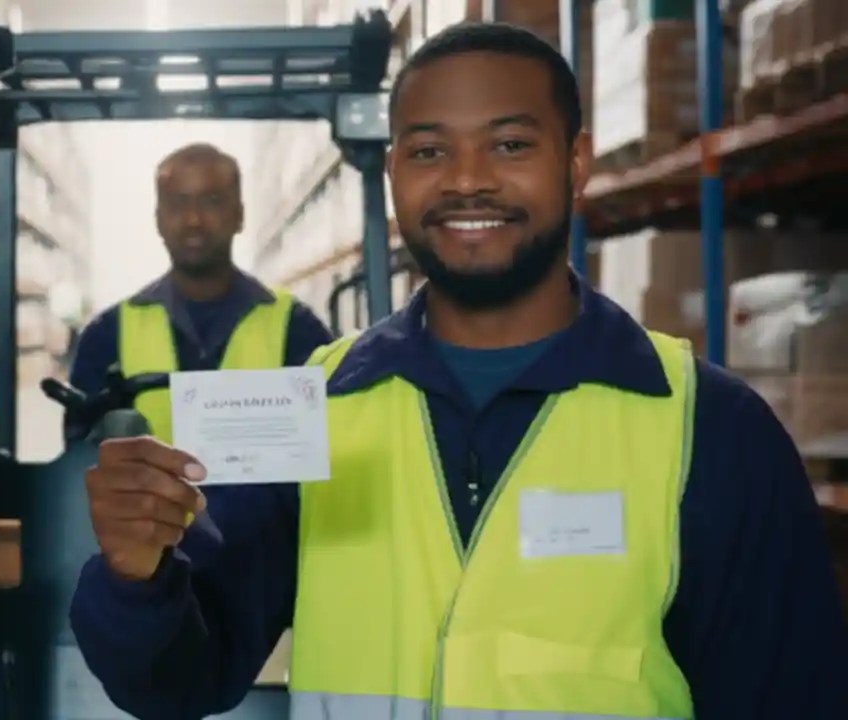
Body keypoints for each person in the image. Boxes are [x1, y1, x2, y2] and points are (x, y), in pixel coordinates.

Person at [68, 22, 848, 720]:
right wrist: (137, 581)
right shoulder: (319, 407)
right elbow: (180, 680)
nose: (466, 179)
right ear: (393, 174)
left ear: (575, 163)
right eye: (429, 150)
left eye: (510, 144)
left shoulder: (711, 430)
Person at [65, 142, 334, 440]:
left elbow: (331, 439)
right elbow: (79, 458)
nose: (194, 220)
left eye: (212, 201)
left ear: (239, 216)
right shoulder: (106, 336)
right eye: (178, 204)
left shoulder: (297, 329)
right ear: (158, 220)